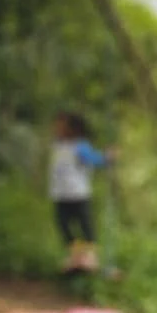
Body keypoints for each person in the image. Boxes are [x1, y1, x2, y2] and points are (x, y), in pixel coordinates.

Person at [49, 111, 112, 275]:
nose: (57, 129)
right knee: (63, 225)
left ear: (73, 129)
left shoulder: (80, 146)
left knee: (85, 226)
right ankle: (76, 257)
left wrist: (107, 157)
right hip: (60, 195)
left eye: (61, 126)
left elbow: (94, 159)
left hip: (78, 194)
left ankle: (90, 257)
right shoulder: (58, 146)